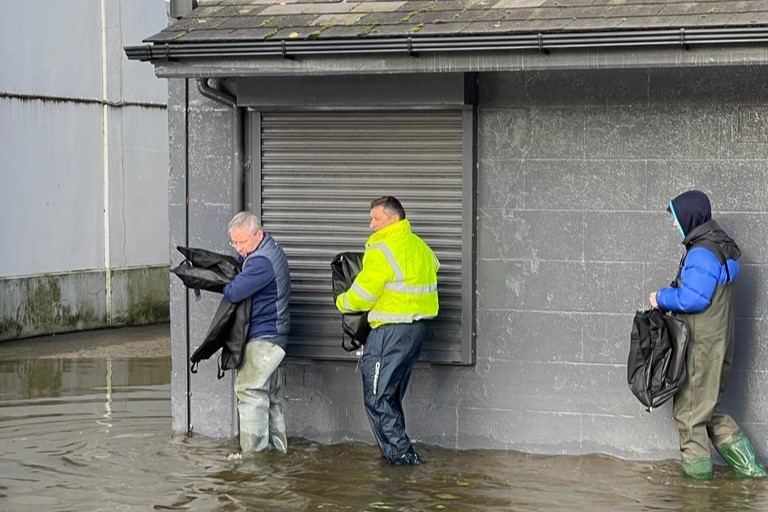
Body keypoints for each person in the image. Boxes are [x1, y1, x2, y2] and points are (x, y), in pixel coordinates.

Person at [649, 190, 767, 479]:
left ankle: (697, 496)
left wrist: (660, 297)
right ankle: (753, 476)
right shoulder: (721, 246)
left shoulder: (701, 252)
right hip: (717, 345)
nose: (675, 225)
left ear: (689, 217)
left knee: (689, 417)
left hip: (701, 348)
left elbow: (693, 299)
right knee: (706, 411)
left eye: (676, 219)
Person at [335, 196, 439, 466]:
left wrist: (341, 301)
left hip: (389, 333)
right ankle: (394, 460)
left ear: (393, 219)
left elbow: (362, 296)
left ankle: (405, 457)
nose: (371, 225)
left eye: (376, 219)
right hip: (415, 331)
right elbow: (431, 271)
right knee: (390, 395)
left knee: (378, 396)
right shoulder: (421, 247)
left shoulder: (381, 249)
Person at [223, 211, 291, 453]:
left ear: (258, 234)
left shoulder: (260, 261)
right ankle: (278, 454)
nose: (239, 248)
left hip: (263, 338)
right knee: (271, 399)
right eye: (234, 242)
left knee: (250, 394)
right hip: (276, 338)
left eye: (242, 241)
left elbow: (233, 292)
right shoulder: (271, 249)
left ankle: (253, 461)